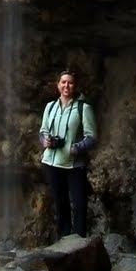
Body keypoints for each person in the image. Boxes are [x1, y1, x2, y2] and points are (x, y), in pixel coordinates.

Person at [39, 68, 97, 239]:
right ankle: (64, 240)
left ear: (75, 86)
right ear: (58, 85)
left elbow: (92, 137)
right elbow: (42, 131)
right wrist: (45, 141)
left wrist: (77, 148)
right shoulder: (50, 107)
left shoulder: (83, 108)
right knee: (60, 202)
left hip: (74, 164)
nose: (66, 85)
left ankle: (79, 242)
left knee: (79, 204)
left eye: (70, 82)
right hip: (52, 162)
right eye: (63, 82)